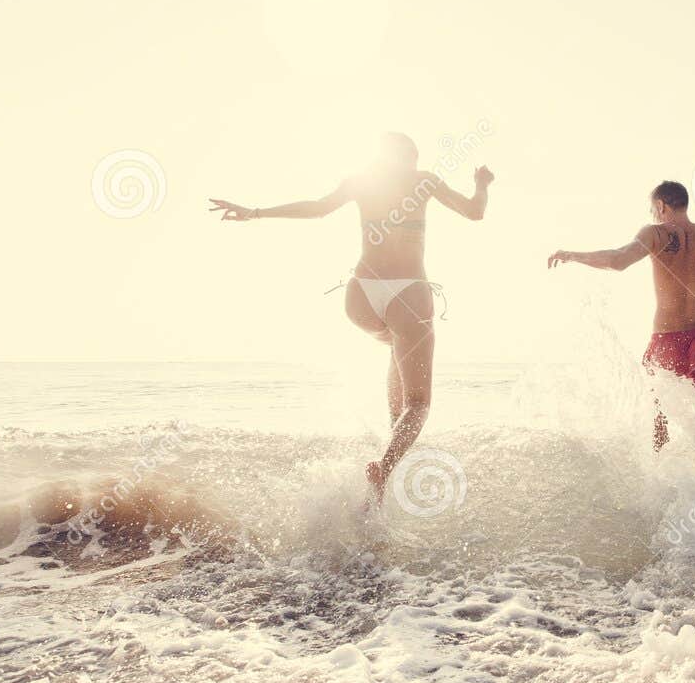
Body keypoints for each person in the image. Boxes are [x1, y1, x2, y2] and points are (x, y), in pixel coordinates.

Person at [210, 132, 493, 497]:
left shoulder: (361, 181)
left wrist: (256, 212)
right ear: (411, 157)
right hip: (408, 291)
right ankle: (384, 469)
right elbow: (474, 212)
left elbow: (317, 208)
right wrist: (481, 184)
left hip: (360, 295)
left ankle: (387, 464)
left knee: (397, 348)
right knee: (419, 403)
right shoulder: (424, 180)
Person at [547, 180, 695, 448]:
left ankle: (665, 473)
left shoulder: (654, 233)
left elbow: (618, 260)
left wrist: (571, 255)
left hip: (666, 346)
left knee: (660, 433)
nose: (653, 215)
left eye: (653, 210)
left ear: (661, 206)